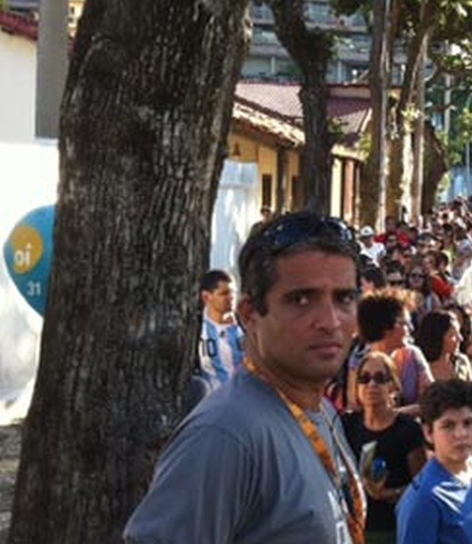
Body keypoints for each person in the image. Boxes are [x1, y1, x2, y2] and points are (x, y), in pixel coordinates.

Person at [125, 212, 366, 543]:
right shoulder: (225, 435)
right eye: (301, 299)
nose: (330, 321)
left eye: (344, 298)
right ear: (250, 314)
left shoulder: (321, 412)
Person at [396, 379, 472, 543]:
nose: (460, 434)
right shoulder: (424, 498)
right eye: (448, 425)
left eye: (468, 423)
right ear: (429, 432)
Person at [343, 351, 427, 543]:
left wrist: (392, 493)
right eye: (364, 379)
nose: (371, 385)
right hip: (356, 528)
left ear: (393, 386)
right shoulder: (347, 425)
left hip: (396, 528)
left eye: (380, 378)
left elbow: (421, 485)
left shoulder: (407, 429)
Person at [355, 291, 433, 414]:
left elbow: (432, 401)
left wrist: (394, 415)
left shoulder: (413, 355)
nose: (411, 328)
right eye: (404, 323)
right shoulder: (359, 359)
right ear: (386, 327)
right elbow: (356, 406)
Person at [197, 269, 245, 390]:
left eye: (232, 293)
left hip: (247, 397)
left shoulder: (245, 325)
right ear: (207, 297)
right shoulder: (198, 331)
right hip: (214, 400)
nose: (231, 298)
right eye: (224, 293)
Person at [416, 310, 472, 382]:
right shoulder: (420, 366)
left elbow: (471, 391)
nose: (460, 339)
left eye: (459, 333)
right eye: (452, 335)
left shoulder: (462, 362)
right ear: (438, 338)